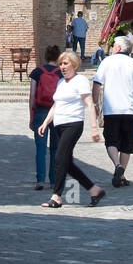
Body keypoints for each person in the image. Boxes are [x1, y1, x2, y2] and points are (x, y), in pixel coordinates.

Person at [37, 51, 105, 208]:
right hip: (59, 125)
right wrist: (45, 122)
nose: (62, 67)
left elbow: (89, 103)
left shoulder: (80, 80)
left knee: (59, 158)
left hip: (73, 124)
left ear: (74, 65)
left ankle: (56, 196)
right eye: (60, 64)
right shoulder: (61, 82)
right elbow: (56, 104)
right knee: (67, 163)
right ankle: (95, 190)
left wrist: (93, 128)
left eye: (66, 63)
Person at [92, 35, 133, 188]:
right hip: (130, 110)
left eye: (113, 46)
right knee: (127, 144)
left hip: (111, 110)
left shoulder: (106, 62)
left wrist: (95, 105)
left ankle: (117, 166)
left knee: (111, 141)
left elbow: (96, 85)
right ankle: (122, 175)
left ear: (117, 48)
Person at [28, 45, 62, 190]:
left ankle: (40, 180)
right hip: (57, 112)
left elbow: (32, 96)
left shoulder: (37, 72)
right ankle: (54, 181)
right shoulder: (61, 74)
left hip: (41, 111)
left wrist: (31, 116)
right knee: (55, 148)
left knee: (40, 148)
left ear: (45, 56)